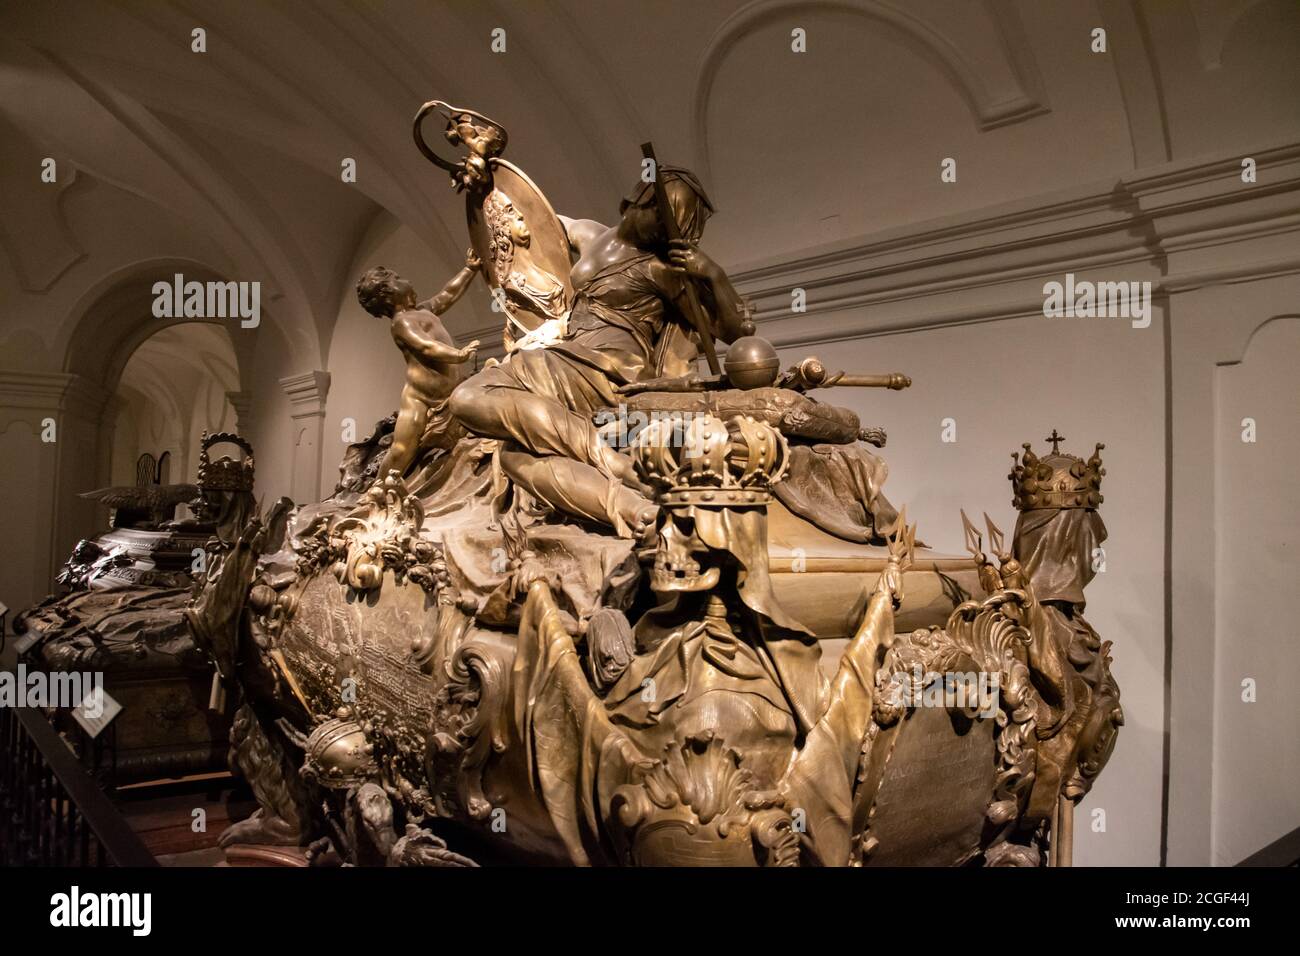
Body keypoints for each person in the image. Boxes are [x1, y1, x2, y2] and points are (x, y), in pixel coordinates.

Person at [449, 168, 749, 537]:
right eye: (667, 218)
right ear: (644, 200)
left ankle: (614, 463)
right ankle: (635, 509)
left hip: (604, 373)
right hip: (566, 359)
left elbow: (735, 331)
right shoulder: (592, 235)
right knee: (512, 456)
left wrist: (714, 275)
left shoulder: (662, 270)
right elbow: (536, 219)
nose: (670, 234)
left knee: (468, 398)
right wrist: (484, 189)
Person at [357, 254, 481, 479]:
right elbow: (426, 347)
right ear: (388, 294)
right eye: (398, 278)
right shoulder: (401, 322)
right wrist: (459, 354)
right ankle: (377, 492)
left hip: (448, 390)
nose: (406, 280)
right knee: (402, 450)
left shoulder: (422, 311)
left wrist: (469, 270)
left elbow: (448, 295)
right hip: (420, 398)